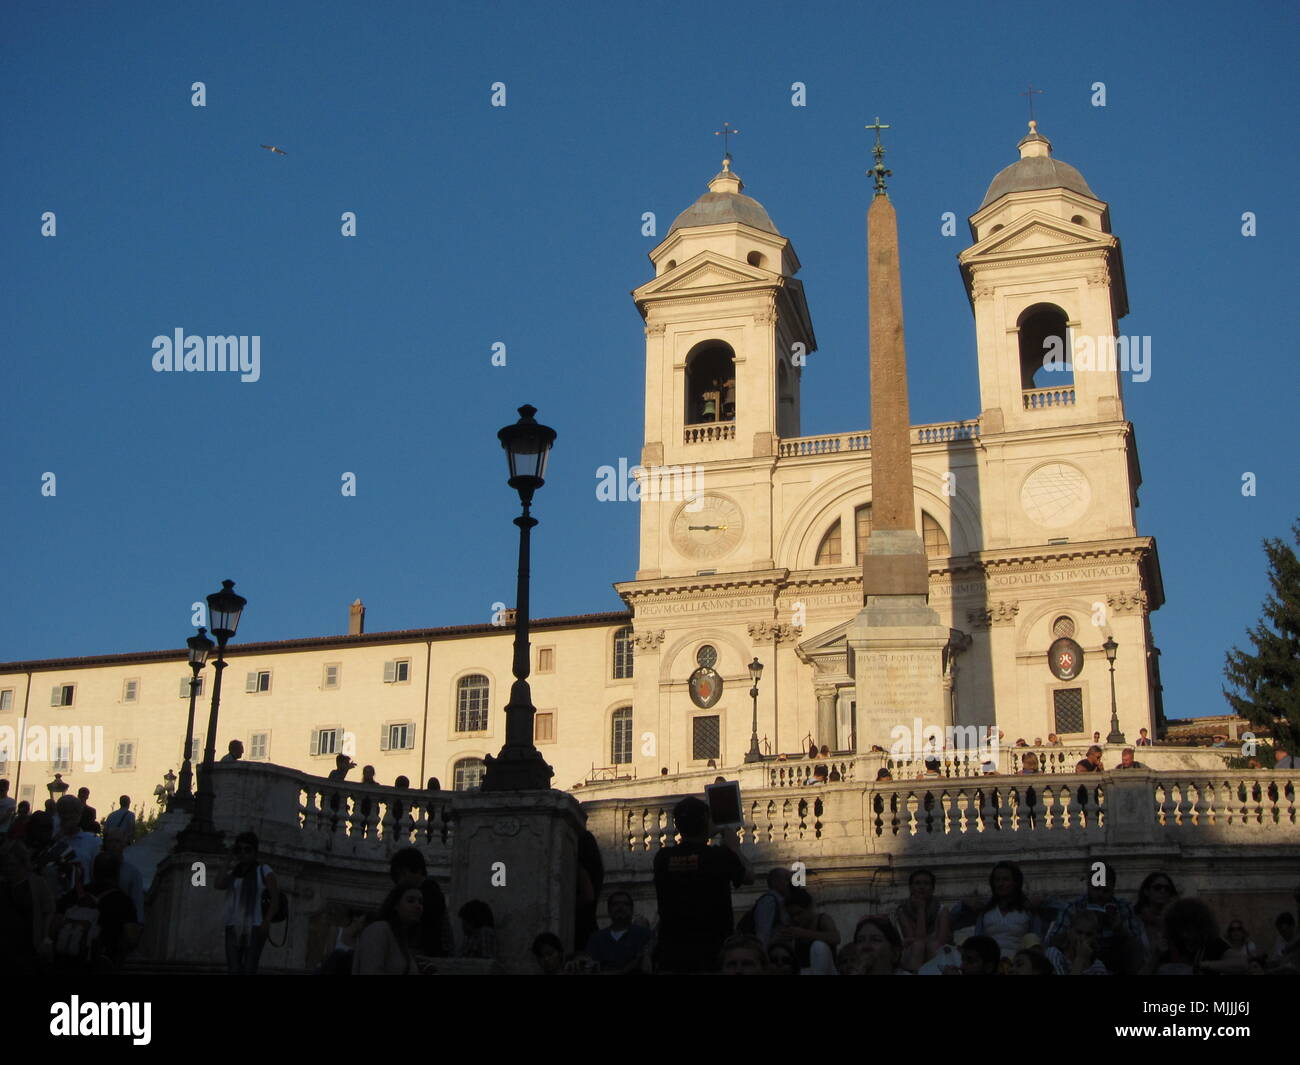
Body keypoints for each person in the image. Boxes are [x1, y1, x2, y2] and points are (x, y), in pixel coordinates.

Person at [652, 795, 753, 973]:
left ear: (677, 825)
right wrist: (733, 847)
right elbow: (748, 875)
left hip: (673, 951)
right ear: (706, 821)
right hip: (712, 950)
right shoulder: (719, 856)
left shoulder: (663, 858)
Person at [1045, 861, 1145, 975]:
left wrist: (1119, 929)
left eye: (1105, 891)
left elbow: (1137, 943)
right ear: (1088, 885)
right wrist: (1079, 925)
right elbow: (1052, 941)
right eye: (1096, 889)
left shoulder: (1123, 907)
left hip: (1114, 955)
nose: (1100, 894)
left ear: (1113, 889)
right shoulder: (1073, 907)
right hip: (1077, 951)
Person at [217, 831, 279, 974]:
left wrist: (266, 922)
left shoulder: (264, 871)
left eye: (247, 849)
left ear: (255, 852)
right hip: (233, 925)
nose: (243, 853)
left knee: (249, 969)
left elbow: (275, 899)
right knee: (233, 969)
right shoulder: (235, 873)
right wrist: (228, 858)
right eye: (239, 850)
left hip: (256, 926)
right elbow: (219, 883)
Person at [388, 848, 454, 957]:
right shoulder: (429, 889)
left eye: (403, 875)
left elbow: (430, 928)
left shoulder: (428, 890)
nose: (400, 882)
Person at [972, 861, 1042, 961]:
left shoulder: (1028, 910)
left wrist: (1042, 901)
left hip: (1019, 965)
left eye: (1006, 880)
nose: (1001, 884)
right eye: (997, 880)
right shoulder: (985, 911)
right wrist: (966, 903)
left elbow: (1036, 940)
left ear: (1015, 882)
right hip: (991, 964)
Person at [355, 884, 422, 975]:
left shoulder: (402, 939)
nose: (418, 906)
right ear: (396, 905)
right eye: (410, 900)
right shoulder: (378, 930)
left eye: (421, 902)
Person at [894, 868, 952, 971]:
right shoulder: (902, 910)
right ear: (911, 888)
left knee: (933, 946)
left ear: (933, 888)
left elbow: (941, 941)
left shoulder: (942, 910)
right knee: (918, 947)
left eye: (926, 883)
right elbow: (917, 941)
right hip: (913, 955)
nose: (922, 887)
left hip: (936, 953)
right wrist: (921, 909)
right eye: (917, 883)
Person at [585, 891, 653, 973]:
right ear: (609, 910)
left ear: (632, 910)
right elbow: (589, 963)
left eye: (625, 904)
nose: (620, 907)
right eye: (615, 904)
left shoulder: (645, 935)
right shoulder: (596, 938)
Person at [779, 887, 839, 974]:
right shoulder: (792, 926)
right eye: (792, 915)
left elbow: (836, 938)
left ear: (809, 908)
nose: (796, 918)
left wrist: (804, 933)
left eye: (799, 913)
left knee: (818, 946)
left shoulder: (822, 920)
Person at [574, 807, 605, 951]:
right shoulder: (595, 867)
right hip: (588, 924)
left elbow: (587, 895)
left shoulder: (580, 865)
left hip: (579, 925)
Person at [740, 866, 792, 950]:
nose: (789, 883)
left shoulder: (780, 901)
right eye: (786, 879)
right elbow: (763, 932)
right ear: (775, 882)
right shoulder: (769, 901)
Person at [1044, 910, 1109, 974]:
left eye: (1089, 935)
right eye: (1079, 932)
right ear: (1069, 931)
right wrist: (1080, 959)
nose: (1083, 938)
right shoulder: (1054, 954)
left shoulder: (1098, 967)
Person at [1134, 872, 1178, 965]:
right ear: (1146, 891)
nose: (1163, 891)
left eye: (1167, 888)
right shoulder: (1135, 922)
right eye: (1157, 887)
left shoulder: (1175, 923)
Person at [103, 830, 144, 925]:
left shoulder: (133, 873)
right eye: (110, 841)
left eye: (117, 841)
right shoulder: (97, 865)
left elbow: (137, 901)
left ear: (124, 844)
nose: (113, 845)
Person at [319, 907, 367, 975]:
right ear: (355, 918)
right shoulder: (336, 931)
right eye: (363, 921)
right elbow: (329, 956)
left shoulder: (359, 941)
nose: (364, 925)